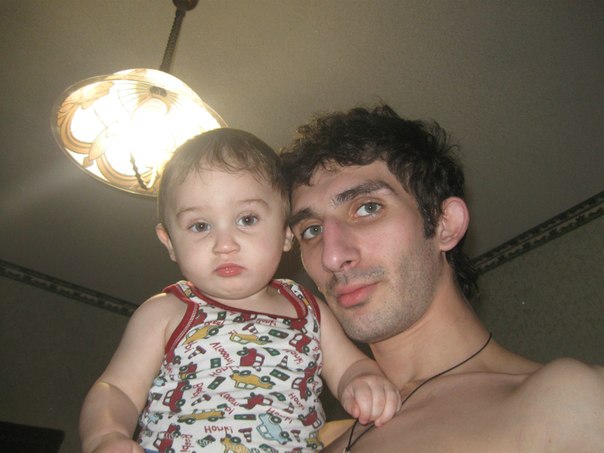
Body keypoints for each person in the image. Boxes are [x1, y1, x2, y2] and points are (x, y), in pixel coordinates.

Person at [280, 104, 604, 452]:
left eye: (368, 207)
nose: (331, 256)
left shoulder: (570, 402)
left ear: (445, 225)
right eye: (311, 230)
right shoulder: (312, 440)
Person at [79, 128, 401, 453]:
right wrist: (106, 436)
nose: (225, 244)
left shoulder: (308, 310)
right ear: (170, 242)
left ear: (286, 233)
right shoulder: (166, 311)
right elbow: (117, 389)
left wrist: (363, 381)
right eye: (200, 226)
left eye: (247, 219)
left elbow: (349, 366)